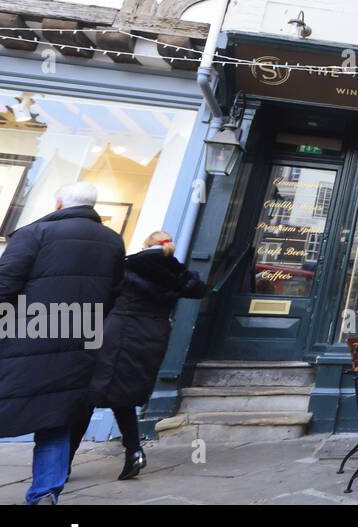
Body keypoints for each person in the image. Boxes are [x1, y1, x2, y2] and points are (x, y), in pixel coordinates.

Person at [0, 182, 124, 504]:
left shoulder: (33, 234)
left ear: (58, 204)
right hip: (79, 336)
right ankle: (45, 492)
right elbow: (114, 293)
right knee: (56, 415)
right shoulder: (112, 241)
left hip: (25, 334)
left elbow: (5, 284)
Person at [71, 231, 206, 481]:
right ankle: (134, 451)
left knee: (91, 392)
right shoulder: (178, 272)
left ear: (146, 244)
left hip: (120, 330)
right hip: (154, 334)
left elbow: (105, 295)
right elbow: (198, 289)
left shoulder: (129, 266)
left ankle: (63, 461)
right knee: (123, 395)